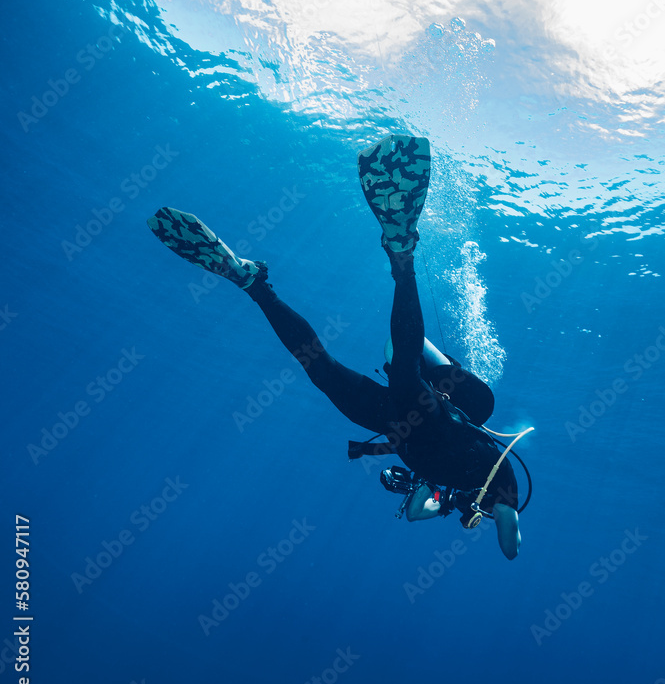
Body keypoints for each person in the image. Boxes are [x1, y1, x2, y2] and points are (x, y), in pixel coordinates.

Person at [147, 134, 522, 559]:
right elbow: (511, 543)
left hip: (397, 423)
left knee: (322, 372)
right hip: (428, 414)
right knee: (400, 369)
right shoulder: (498, 477)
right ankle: (403, 256)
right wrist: (492, 514)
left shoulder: (449, 488)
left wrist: (454, 503)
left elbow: (418, 513)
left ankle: (253, 284)